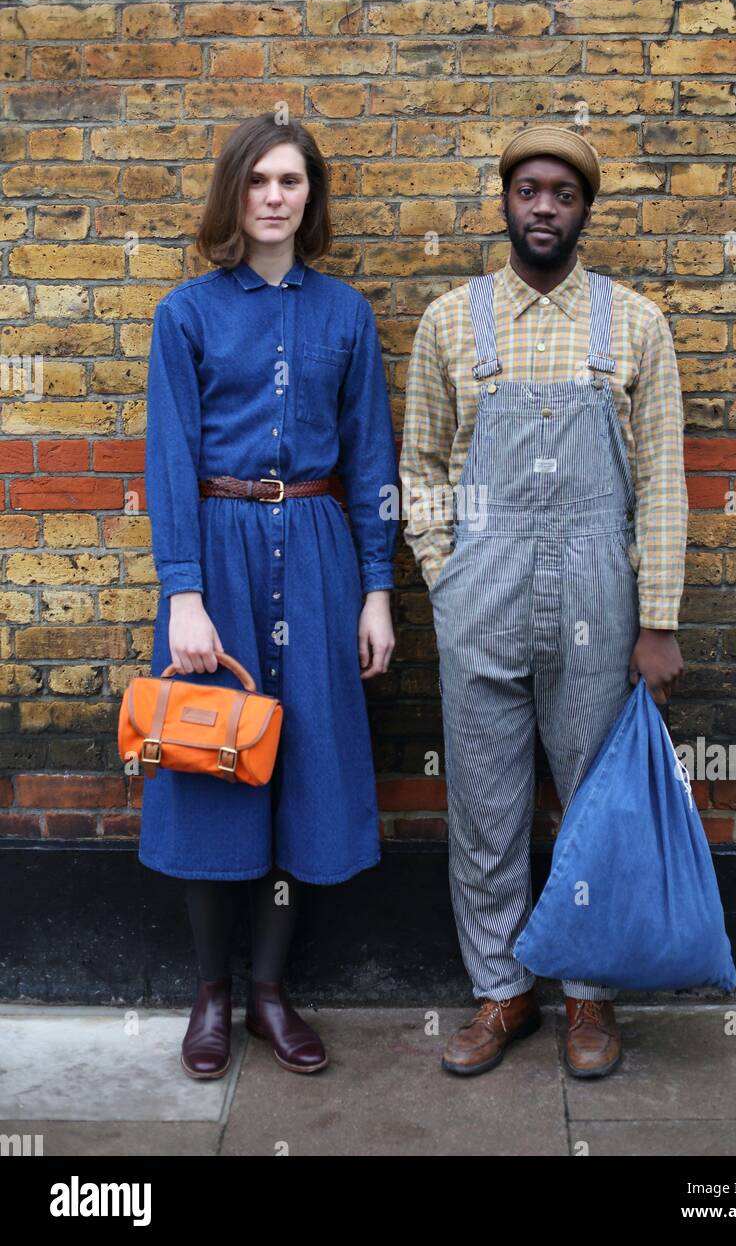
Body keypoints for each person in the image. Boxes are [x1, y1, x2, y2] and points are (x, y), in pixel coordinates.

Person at [399, 125, 688, 1079]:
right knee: (485, 806)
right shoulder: (451, 321)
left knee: (594, 804)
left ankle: (589, 1001)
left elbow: (664, 483)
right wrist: (448, 579)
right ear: (506, 200)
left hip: (603, 596)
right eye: (529, 189)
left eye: (563, 193)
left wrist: (658, 620)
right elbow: (425, 469)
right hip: (483, 587)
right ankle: (502, 992)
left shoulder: (634, 324)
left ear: (584, 210)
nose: (544, 207)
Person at [139, 113, 398, 1080]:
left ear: (310, 197)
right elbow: (170, 463)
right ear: (234, 196)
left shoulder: (347, 316)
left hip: (323, 553)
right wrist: (184, 594)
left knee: (301, 771)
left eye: (291, 181)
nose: (276, 197)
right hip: (222, 551)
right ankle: (209, 993)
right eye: (259, 181)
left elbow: (372, 458)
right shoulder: (187, 314)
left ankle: (270, 995)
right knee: (214, 763)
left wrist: (377, 590)